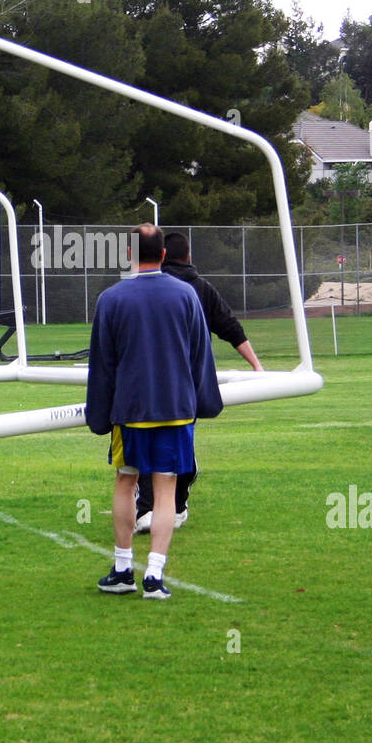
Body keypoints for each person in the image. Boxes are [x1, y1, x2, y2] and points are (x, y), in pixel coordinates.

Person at [86, 224, 222, 600]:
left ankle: (122, 568)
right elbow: (201, 355)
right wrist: (203, 401)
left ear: (129, 254)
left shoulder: (110, 299)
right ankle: (155, 577)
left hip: (129, 414)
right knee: (166, 492)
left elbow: (102, 366)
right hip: (176, 411)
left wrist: (99, 414)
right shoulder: (187, 296)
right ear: (163, 254)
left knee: (125, 483)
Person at [134, 229, 263, 533]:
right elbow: (230, 327)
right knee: (177, 445)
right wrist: (257, 366)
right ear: (188, 256)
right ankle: (171, 505)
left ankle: (151, 509)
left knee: (145, 445)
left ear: (163, 255)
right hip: (186, 388)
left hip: (147, 383)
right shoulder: (200, 289)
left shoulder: (147, 290)